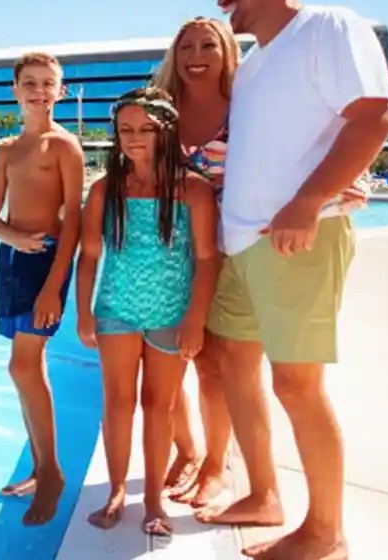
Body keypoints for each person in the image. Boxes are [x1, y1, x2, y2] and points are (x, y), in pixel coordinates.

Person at [200, 0, 388, 560]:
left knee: (297, 385)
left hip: (295, 239)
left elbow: (374, 116)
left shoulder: (329, 27)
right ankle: (263, 494)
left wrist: (312, 200)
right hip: (244, 244)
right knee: (233, 360)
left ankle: (325, 532)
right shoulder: (255, 64)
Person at [75, 88, 220, 537]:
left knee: (161, 406)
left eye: (147, 130)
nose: (135, 138)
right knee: (118, 402)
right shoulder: (105, 190)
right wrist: (83, 312)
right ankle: (117, 489)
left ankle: (154, 498)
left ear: (167, 133)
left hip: (170, 314)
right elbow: (90, 256)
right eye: (126, 130)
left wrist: (195, 318)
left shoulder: (192, 190)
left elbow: (208, 259)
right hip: (117, 309)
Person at [0, 51, 85, 526]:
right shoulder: (6, 150)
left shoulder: (64, 147)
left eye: (49, 83)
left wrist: (53, 285)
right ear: (15, 90)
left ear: (60, 91)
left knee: (23, 365)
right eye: (30, 83)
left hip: (47, 262)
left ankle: (52, 474)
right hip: (10, 262)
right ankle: (40, 467)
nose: (40, 91)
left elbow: (75, 222)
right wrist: (14, 239)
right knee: (24, 367)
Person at [148, 16, 241, 509]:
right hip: (165, 248)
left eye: (209, 44)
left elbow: (291, 151)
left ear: (227, 52)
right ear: (174, 54)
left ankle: (216, 462)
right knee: (165, 356)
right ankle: (186, 450)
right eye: (186, 46)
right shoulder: (161, 109)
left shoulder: (245, 107)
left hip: (224, 248)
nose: (196, 55)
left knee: (211, 360)